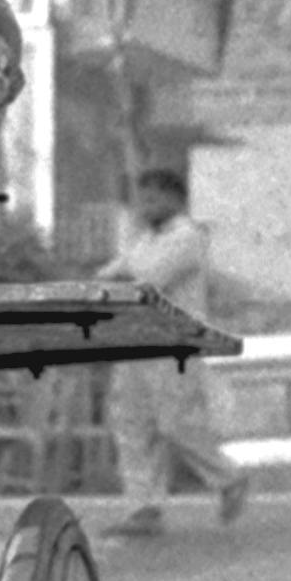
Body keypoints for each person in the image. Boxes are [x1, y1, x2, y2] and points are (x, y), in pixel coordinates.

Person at [98, 169, 251, 532]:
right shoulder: (144, 239)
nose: (145, 206)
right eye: (143, 198)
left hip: (172, 346)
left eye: (153, 199)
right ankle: (144, 508)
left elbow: (146, 281)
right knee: (132, 423)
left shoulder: (188, 237)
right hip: (136, 341)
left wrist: (121, 277)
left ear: (176, 199)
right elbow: (108, 277)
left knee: (176, 423)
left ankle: (228, 477)